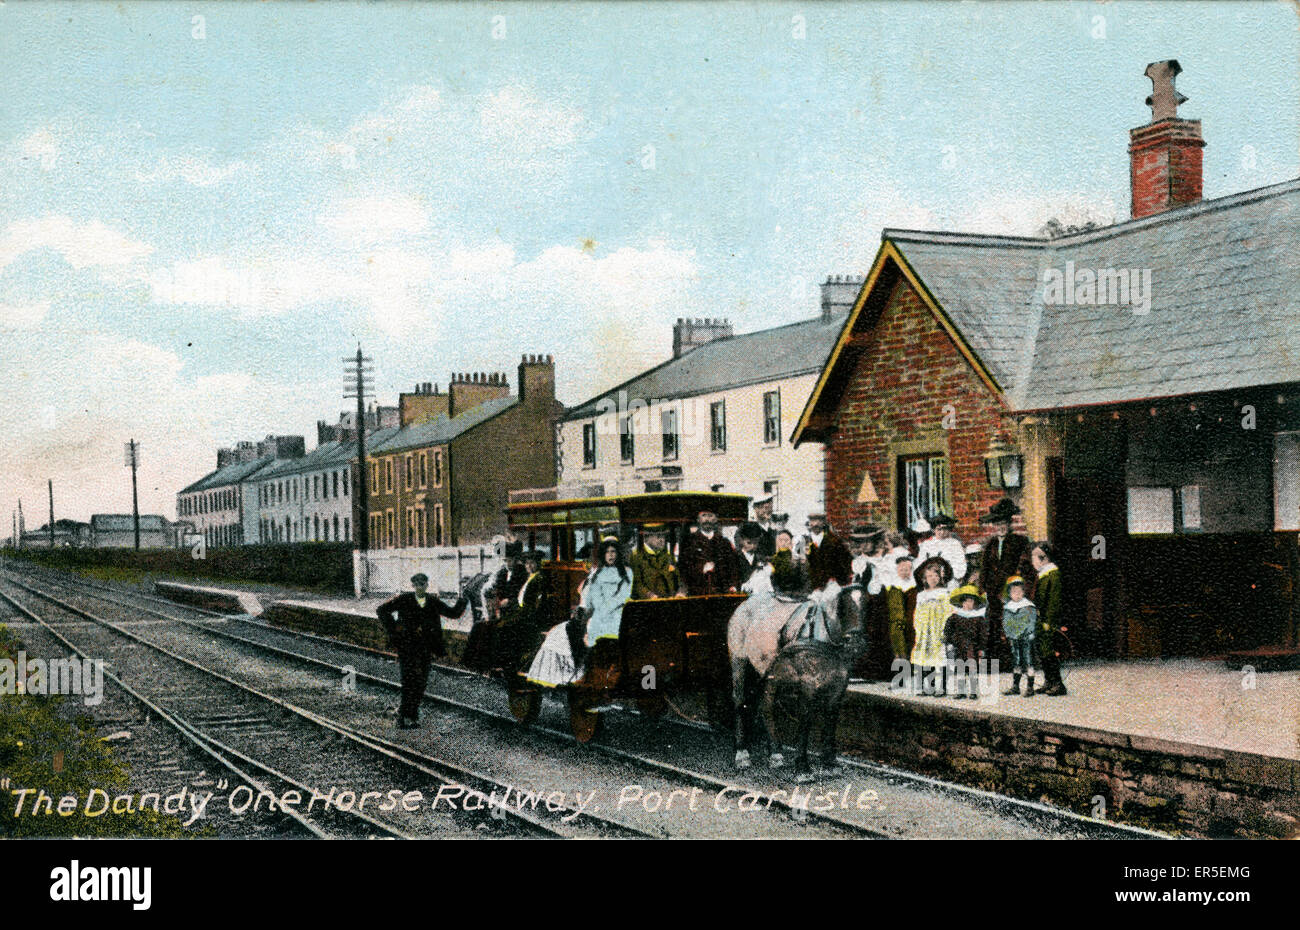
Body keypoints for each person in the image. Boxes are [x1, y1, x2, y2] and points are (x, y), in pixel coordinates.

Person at [377, 573, 467, 729]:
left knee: (421, 682)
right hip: (407, 647)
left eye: (423, 584)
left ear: (427, 585)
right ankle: (404, 717)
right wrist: (396, 630)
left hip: (425, 647)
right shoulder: (404, 599)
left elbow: (453, 613)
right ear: (413, 586)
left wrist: (464, 597)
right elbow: (382, 610)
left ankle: (411, 715)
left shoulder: (432, 601)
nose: (420, 587)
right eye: (417, 584)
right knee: (409, 681)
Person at [978, 498, 1034, 655]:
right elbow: (985, 568)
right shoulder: (991, 544)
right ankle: (997, 659)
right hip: (993, 592)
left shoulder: (1020, 542)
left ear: (1009, 524)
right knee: (994, 625)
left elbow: (1023, 566)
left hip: (1011, 591)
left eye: (1003, 523)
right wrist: (982, 589)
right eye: (997, 524)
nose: (1000, 527)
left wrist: (1012, 589)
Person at [911, 556, 954, 695]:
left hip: (938, 630)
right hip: (925, 631)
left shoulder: (944, 593)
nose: (932, 579)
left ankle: (941, 687)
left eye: (935, 576)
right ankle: (925, 686)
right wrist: (918, 628)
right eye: (929, 576)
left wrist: (946, 630)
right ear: (924, 579)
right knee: (923, 657)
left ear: (940, 577)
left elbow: (948, 612)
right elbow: (917, 613)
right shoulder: (921, 595)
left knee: (940, 657)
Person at [1030, 541, 1068, 696]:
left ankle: (1057, 683)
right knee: (1042, 651)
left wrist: (1049, 621)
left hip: (1047, 621)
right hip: (1040, 620)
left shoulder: (1053, 575)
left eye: (1035, 557)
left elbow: (1054, 600)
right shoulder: (1043, 574)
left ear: (1044, 558)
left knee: (1049, 652)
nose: (1033, 561)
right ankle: (1049, 681)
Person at [679, 510, 739, 595]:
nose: (707, 519)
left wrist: (733, 585)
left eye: (710, 516)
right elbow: (683, 568)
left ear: (715, 519)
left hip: (721, 594)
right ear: (698, 519)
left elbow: (733, 567)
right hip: (696, 594)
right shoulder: (689, 542)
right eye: (704, 516)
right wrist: (701, 569)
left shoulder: (724, 543)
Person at [946, 584, 988, 699]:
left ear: (974, 603)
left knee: (972, 668)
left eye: (971, 601)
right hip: (959, 646)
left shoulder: (978, 618)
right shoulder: (955, 617)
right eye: (966, 601)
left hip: (972, 647)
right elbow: (948, 630)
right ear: (961, 603)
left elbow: (983, 634)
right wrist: (950, 642)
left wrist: (981, 648)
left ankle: (973, 691)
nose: (968, 604)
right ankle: (961, 691)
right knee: (960, 668)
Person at [1000, 575, 1038, 697]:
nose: (1017, 594)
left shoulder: (1028, 606)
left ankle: (1030, 687)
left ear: (1023, 592)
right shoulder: (1008, 608)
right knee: (1016, 662)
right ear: (1009, 593)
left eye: (1019, 591)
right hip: (1014, 639)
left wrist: (1025, 632)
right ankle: (1015, 686)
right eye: (1013, 591)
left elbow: (1031, 622)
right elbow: (1006, 623)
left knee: (1028, 661)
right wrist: (1009, 634)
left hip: (1026, 639)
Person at [629, 523, 685, 599]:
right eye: (658, 536)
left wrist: (681, 591)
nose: (662, 540)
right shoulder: (636, 556)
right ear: (646, 538)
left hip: (671, 600)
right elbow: (637, 584)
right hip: (649, 603)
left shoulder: (668, 554)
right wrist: (651, 596)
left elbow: (678, 577)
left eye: (663, 536)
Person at [802, 513, 853, 591]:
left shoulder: (835, 541)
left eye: (818, 521)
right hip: (811, 587)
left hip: (832, 587)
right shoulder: (804, 541)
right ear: (809, 523)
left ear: (823, 523)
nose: (815, 524)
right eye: (812, 521)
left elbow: (846, 563)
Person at [916, 513, 966, 591]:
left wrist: (947, 574)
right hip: (930, 582)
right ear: (934, 529)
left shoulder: (955, 544)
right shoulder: (927, 544)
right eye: (939, 529)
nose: (942, 532)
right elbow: (920, 563)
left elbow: (960, 565)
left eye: (945, 529)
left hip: (949, 582)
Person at [884, 552, 917, 666]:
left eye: (907, 569)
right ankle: (900, 654)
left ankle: (912, 656)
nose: (904, 572)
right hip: (898, 618)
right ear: (897, 570)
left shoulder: (914, 586)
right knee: (897, 624)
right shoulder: (893, 587)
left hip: (911, 617)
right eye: (901, 569)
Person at [733, 522, 765, 587]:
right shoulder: (734, 557)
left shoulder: (761, 558)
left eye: (755, 543)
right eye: (749, 543)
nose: (752, 546)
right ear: (741, 540)